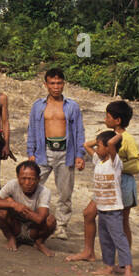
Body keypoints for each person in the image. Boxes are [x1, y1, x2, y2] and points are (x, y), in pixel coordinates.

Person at [67, 100, 139, 264]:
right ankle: (89, 251)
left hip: (122, 184)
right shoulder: (109, 136)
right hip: (106, 185)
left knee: (122, 222)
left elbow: (136, 165)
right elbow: (95, 149)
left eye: (107, 116)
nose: (105, 119)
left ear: (117, 120)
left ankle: (123, 261)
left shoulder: (127, 139)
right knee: (88, 213)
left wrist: (115, 166)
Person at [26, 68, 85, 239]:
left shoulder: (72, 106)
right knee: (32, 186)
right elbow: (32, 130)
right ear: (46, 84)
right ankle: (30, 220)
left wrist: (80, 155)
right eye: (52, 83)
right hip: (43, 152)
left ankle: (61, 226)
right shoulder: (38, 106)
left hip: (66, 152)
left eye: (59, 83)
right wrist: (31, 152)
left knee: (65, 192)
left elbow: (79, 131)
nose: (56, 86)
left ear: (64, 84)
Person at [87, 130, 132, 276]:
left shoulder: (115, 162)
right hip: (102, 208)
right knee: (105, 239)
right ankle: (109, 266)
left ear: (108, 148)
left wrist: (116, 134)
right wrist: (99, 141)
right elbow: (86, 145)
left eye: (99, 146)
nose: (97, 148)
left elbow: (113, 143)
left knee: (119, 239)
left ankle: (128, 273)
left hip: (114, 209)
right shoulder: (98, 161)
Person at [0, 160, 56, 255]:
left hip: (34, 229)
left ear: (38, 179)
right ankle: (11, 238)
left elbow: (40, 219)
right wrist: (13, 204)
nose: (27, 182)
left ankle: (39, 242)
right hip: (16, 227)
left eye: (31, 179)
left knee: (51, 220)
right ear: (17, 178)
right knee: (1, 211)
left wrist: (21, 209)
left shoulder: (44, 191)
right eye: (23, 178)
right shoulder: (12, 184)